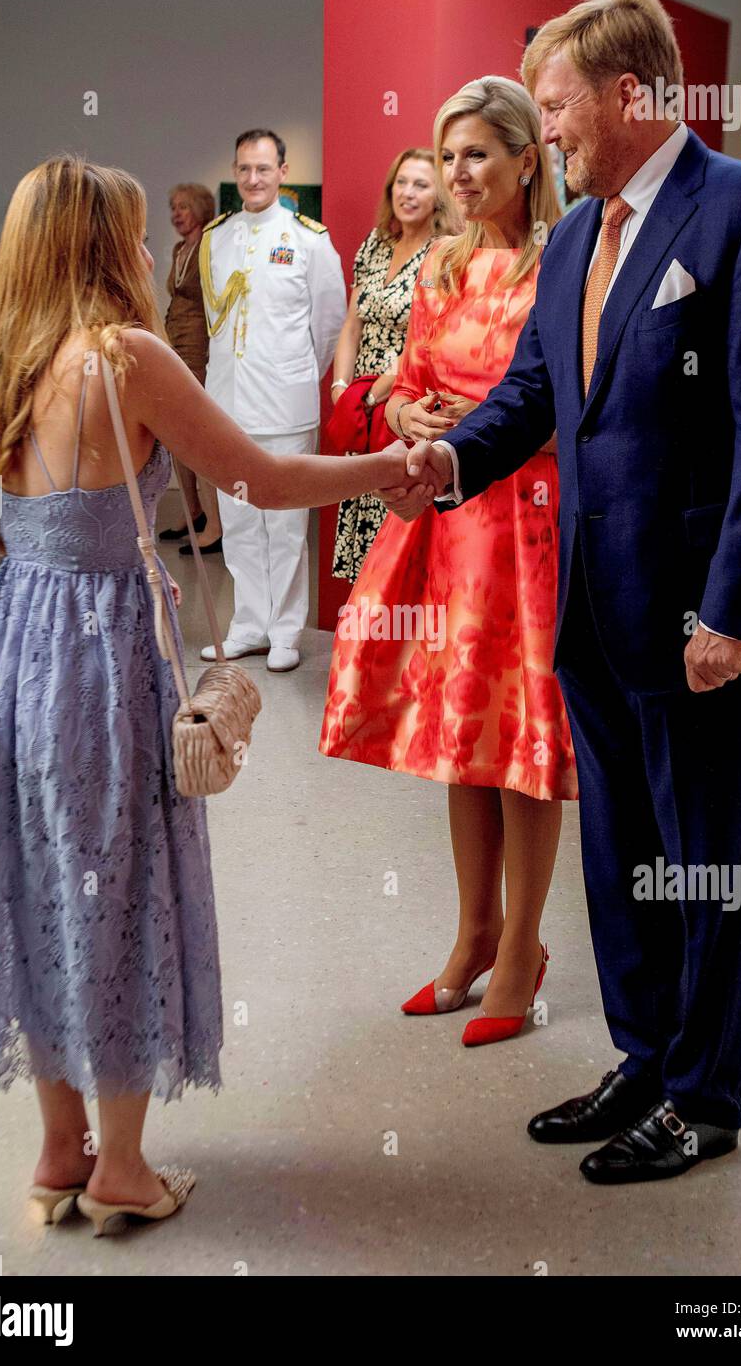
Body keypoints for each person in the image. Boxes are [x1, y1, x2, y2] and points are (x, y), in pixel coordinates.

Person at [0, 153, 434, 1234]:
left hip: (12, 647)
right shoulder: (126, 356)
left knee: (39, 886)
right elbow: (263, 478)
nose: (153, 251)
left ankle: (59, 1152)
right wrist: (385, 466)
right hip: (106, 649)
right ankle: (122, 1172)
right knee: (123, 891)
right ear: (101, 243)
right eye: (136, 233)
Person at [402, 0, 741, 1182]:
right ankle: (643, 1059)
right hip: (594, 610)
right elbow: (541, 394)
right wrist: (445, 461)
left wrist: (735, 613)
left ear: (632, 94)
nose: (544, 135)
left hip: (705, 623)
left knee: (705, 864)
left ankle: (703, 1097)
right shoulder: (579, 236)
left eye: (554, 107)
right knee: (623, 860)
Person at [320, 77, 577, 1047]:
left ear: (526, 158)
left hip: (530, 525)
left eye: (477, 154)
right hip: (446, 519)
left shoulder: (562, 259)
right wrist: (405, 415)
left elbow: (566, 401)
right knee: (460, 742)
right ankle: (471, 935)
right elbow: (407, 380)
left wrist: (475, 431)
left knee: (523, 748)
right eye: (447, 155)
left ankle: (522, 947)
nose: (459, 174)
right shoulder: (438, 268)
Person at [201, 128, 347, 672]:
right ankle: (248, 625)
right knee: (238, 521)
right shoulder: (216, 237)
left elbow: (329, 323)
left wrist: (297, 372)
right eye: (244, 169)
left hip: (285, 404)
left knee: (285, 523)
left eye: (263, 168)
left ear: (283, 172)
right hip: (226, 404)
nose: (253, 179)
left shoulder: (308, 238)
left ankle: (286, 631)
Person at [330, 148, 451, 583]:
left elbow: (431, 339)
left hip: (407, 400)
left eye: (421, 184)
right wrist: (342, 388)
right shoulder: (375, 243)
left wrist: (375, 393)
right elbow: (352, 322)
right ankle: (366, 636)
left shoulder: (446, 253)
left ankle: (398, 637)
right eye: (402, 182)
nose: (409, 192)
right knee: (362, 503)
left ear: (439, 194)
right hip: (361, 401)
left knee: (397, 519)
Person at [157, 181, 223, 555]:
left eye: (183, 206)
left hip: (200, 346)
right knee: (176, 435)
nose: (177, 213)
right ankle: (192, 511)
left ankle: (214, 525)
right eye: (173, 206)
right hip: (174, 339)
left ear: (200, 208)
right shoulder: (180, 248)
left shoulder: (210, 245)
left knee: (194, 431)